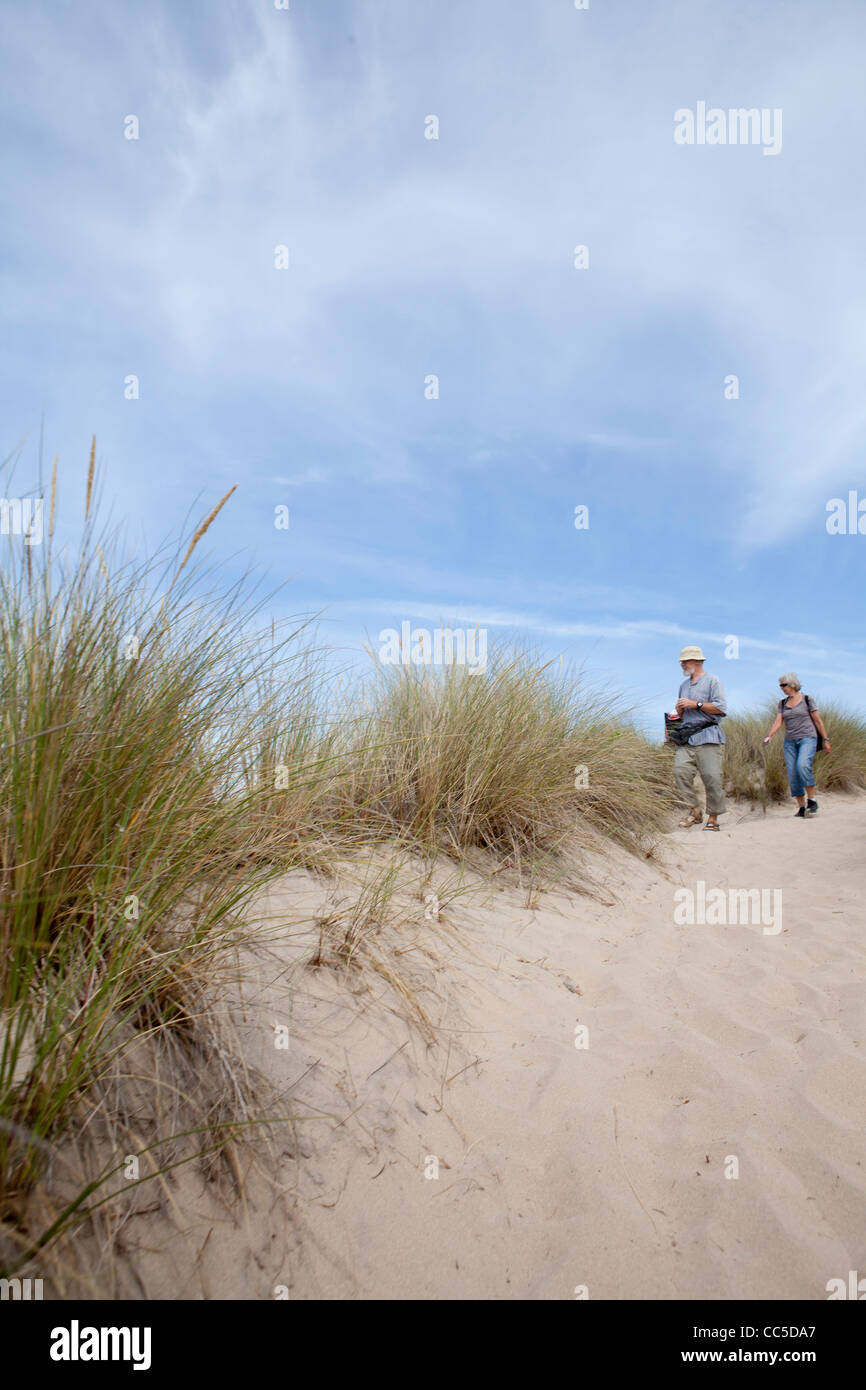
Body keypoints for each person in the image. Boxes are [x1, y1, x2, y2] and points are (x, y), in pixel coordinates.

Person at [669, 645, 727, 831]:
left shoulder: (713, 681)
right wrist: (678, 711)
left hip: (708, 736)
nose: (682, 665)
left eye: (685, 662)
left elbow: (721, 709)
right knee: (680, 772)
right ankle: (695, 811)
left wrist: (697, 704)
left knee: (712, 778)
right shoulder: (683, 686)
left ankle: (714, 818)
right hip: (686, 737)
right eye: (682, 662)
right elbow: (680, 715)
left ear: (697, 662)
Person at [763, 674, 831, 817]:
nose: (781, 688)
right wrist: (770, 735)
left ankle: (812, 800)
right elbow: (778, 721)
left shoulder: (807, 699)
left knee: (802, 765)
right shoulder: (782, 703)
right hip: (790, 742)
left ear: (792, 684)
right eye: (780, 685)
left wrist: (826, 739)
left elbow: (818, 721)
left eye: (784, 685)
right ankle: (801, 807)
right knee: (793, 773)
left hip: (808, 738)